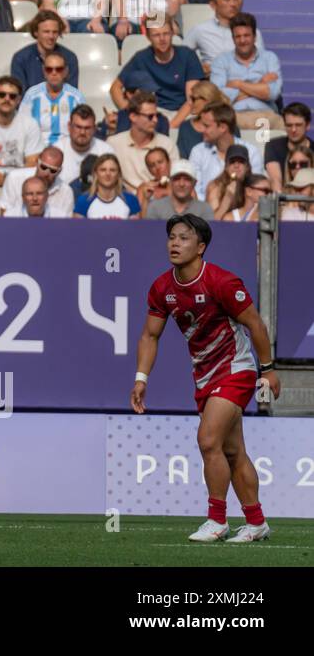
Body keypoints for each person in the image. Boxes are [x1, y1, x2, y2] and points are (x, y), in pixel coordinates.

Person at [134, 213, 278, 541]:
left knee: (207, 440)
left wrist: (268, 370)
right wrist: (141, 377)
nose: (174, 242)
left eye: (183, 238)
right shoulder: (162, 287)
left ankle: (217, 520)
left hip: (236, 368)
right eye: (172, 236)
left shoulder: (221, 282)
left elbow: (255, 324)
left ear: (201, 247)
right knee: (232, 451)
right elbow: (150, 336)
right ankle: (256, 523)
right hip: (204, 374)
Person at [210, 14, 282, 130]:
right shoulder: (221, 61)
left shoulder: (269, 58)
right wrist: (260, 85)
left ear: (255, 37)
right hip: (234, 115)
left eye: (246, 35)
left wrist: (238, 84)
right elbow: (218, 97)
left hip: (264, 115)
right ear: (233, 39)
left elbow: (273, 93)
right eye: (237, 36)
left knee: (270, 139)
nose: (242, 40)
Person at [23, 54, 84, 145]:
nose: (54, 73)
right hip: (37, 148)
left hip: (68, 150)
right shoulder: (32, 95)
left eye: (59, 69)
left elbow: (83, 127)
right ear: (44, 71)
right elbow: (22, 126)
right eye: (49, 69)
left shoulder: (76, 96)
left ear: (65, 71)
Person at [0, 146, 74, 217]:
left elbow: (65, 225)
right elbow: (4, 216)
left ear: (59, 171)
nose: (47, 173)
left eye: (53, 170)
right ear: (37, 162)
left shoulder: (66, 192)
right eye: (43, 167)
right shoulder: (14, 178)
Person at [74, 152, 141, 218]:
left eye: (112, 170)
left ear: (118, 174)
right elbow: (77, 228)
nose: (108, 174)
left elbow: (136, 228)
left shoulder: (131, 200)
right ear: (96, 174)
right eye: (103, 170)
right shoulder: (84, 201)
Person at [144, 159, 214, 221]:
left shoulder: (204, 209)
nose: (181, 184)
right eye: (177, 179)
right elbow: (150, 234)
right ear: (170, 181)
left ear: (194, 183)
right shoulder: (155, 207)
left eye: (187, 179)